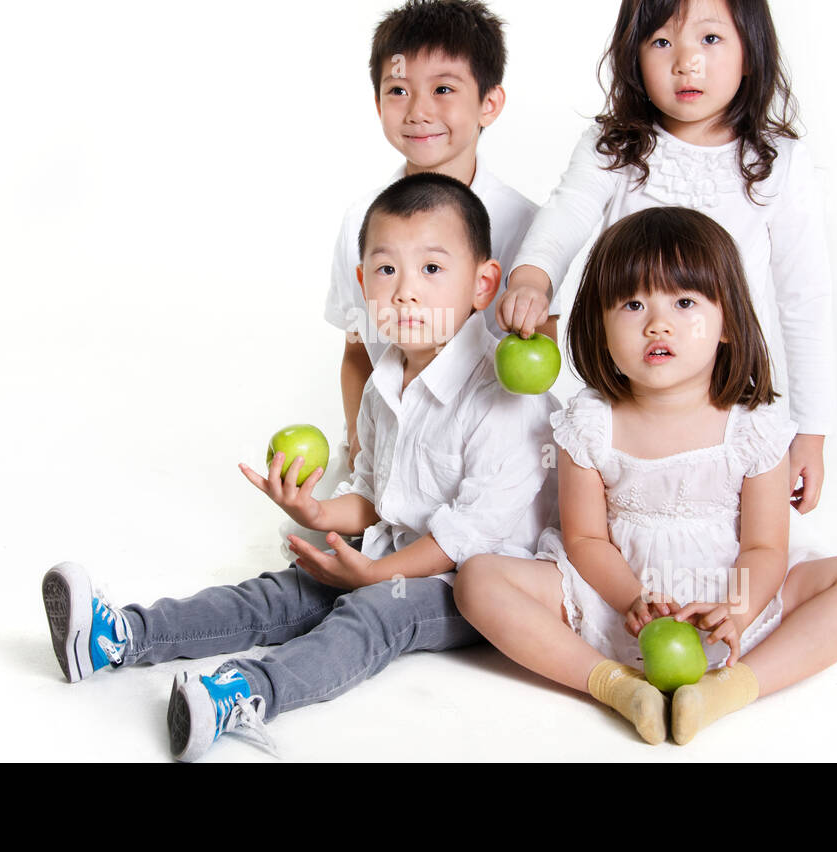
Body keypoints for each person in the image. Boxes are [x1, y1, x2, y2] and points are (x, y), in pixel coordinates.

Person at [42, 173, 557, 761]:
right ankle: (121, 636)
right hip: (392, 554)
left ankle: (247, 694)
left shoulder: (500, 395)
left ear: (483, 284)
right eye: (387, 270)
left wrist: (370, 576)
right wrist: (315, 510)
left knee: (372, 613)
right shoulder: (382, 384)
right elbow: (372, 495)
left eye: (433, 269)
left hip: (472, 582)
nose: (406, 291)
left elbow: (469, 535)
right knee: (282, 591)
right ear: (362, 283)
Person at [454, 207, 837, 745]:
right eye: (633, 304)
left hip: (728, 590)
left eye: (684, 303)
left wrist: (737, 607)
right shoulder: (590, 424)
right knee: (477, 579)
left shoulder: (752, 427)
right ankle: (613, 684)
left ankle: (731, 687)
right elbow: (586, 539)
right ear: (600, 325)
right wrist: (632, 600)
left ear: (728, 322)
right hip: (618, 595)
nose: (656, 323)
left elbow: (764, 547)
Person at [497, 0, 832, 516]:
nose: (686, 62)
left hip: (730, 397)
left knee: (739, 547)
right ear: (634, 57)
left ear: (750, 52)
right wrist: (533, 277)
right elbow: (569, 211)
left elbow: (805, 297)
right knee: (618, 532)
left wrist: (812, 430)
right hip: (633, 395)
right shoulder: (618, 147)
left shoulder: (777, 160)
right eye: (661, 41)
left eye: (710, 38)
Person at [313, 0, 561, 554]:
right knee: (318, 549)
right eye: (398, 90)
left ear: (489, 102)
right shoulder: (364, 218)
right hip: (394, 450)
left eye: (444, 89)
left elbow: (537, 368)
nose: (418, 110)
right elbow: (358, 352)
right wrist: (360, 446)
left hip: (478, 465)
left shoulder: (526, 225)